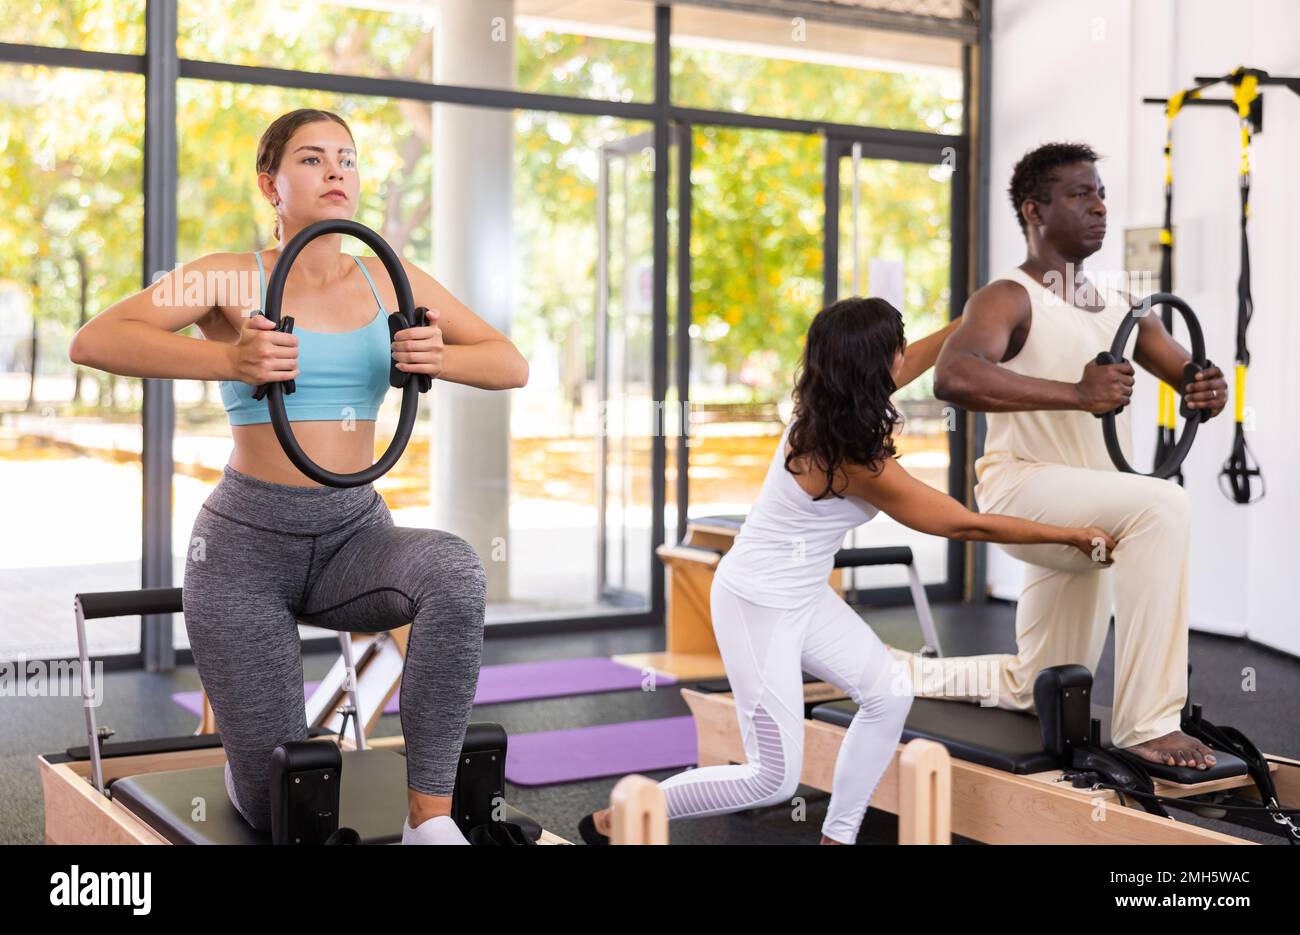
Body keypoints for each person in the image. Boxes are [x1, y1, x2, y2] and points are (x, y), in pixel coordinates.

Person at [68, 108, 529, 844]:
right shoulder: (230, 275)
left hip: (354, 537)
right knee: (280, 798)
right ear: (270, 184)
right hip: (242, 555)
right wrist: (228, 360)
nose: (337, 170)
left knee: (456, 572)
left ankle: (429, 821)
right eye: (313, 159)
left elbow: (510, 362)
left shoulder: (391, 278)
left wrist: (437, 355)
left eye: (346, 157)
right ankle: (236, 759)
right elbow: (94, 340)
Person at [581, 296, 1117, 845]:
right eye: (896, 349)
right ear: (875, 366)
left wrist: (973, 320)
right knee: (772, 779)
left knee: (888, 694)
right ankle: (620, 816)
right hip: (755, 604)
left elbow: (914, 359)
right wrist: (1070, 534)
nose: (905, 357)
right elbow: (962, 525)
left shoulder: (832, 404)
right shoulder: (851, 460)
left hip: (804, 597)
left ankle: (837, 838)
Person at [910, 141, 1229, 768]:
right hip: (1021, 491)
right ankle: (1149, 724)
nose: (1099, 207)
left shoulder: (1120, 306)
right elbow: (955, 376)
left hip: (1093, 511)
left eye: (1102, 193)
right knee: (1163, 507)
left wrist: (1208, 389)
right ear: (1035, 210)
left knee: (1034, 684)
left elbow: (1189, 378)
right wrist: (1076, 394)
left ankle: (889, 672)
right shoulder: (1007, 296)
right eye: (1081, 195)